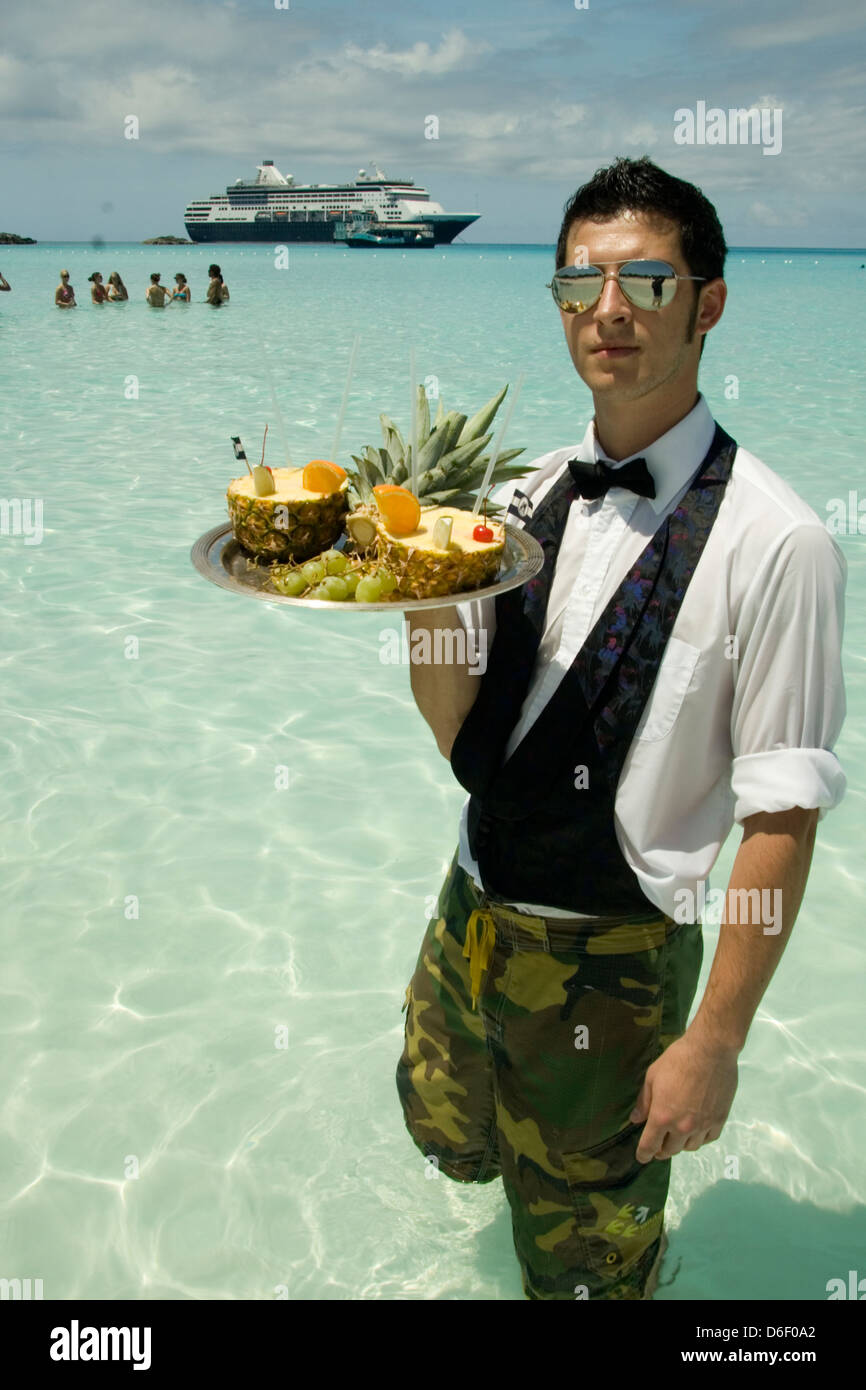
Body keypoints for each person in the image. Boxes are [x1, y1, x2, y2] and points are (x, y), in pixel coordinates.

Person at [396, 156, 847, 1301]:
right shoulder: (522, 493)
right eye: (577, 284)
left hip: (612, 967)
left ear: (706, 303)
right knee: (448, 1137)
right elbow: (461, 739)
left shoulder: (777, 540)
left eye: (645, 283)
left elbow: (779, 817)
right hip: (469, 908)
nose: (606, 312)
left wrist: (713, 1043)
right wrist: (423, 608)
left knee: (590, 1274)